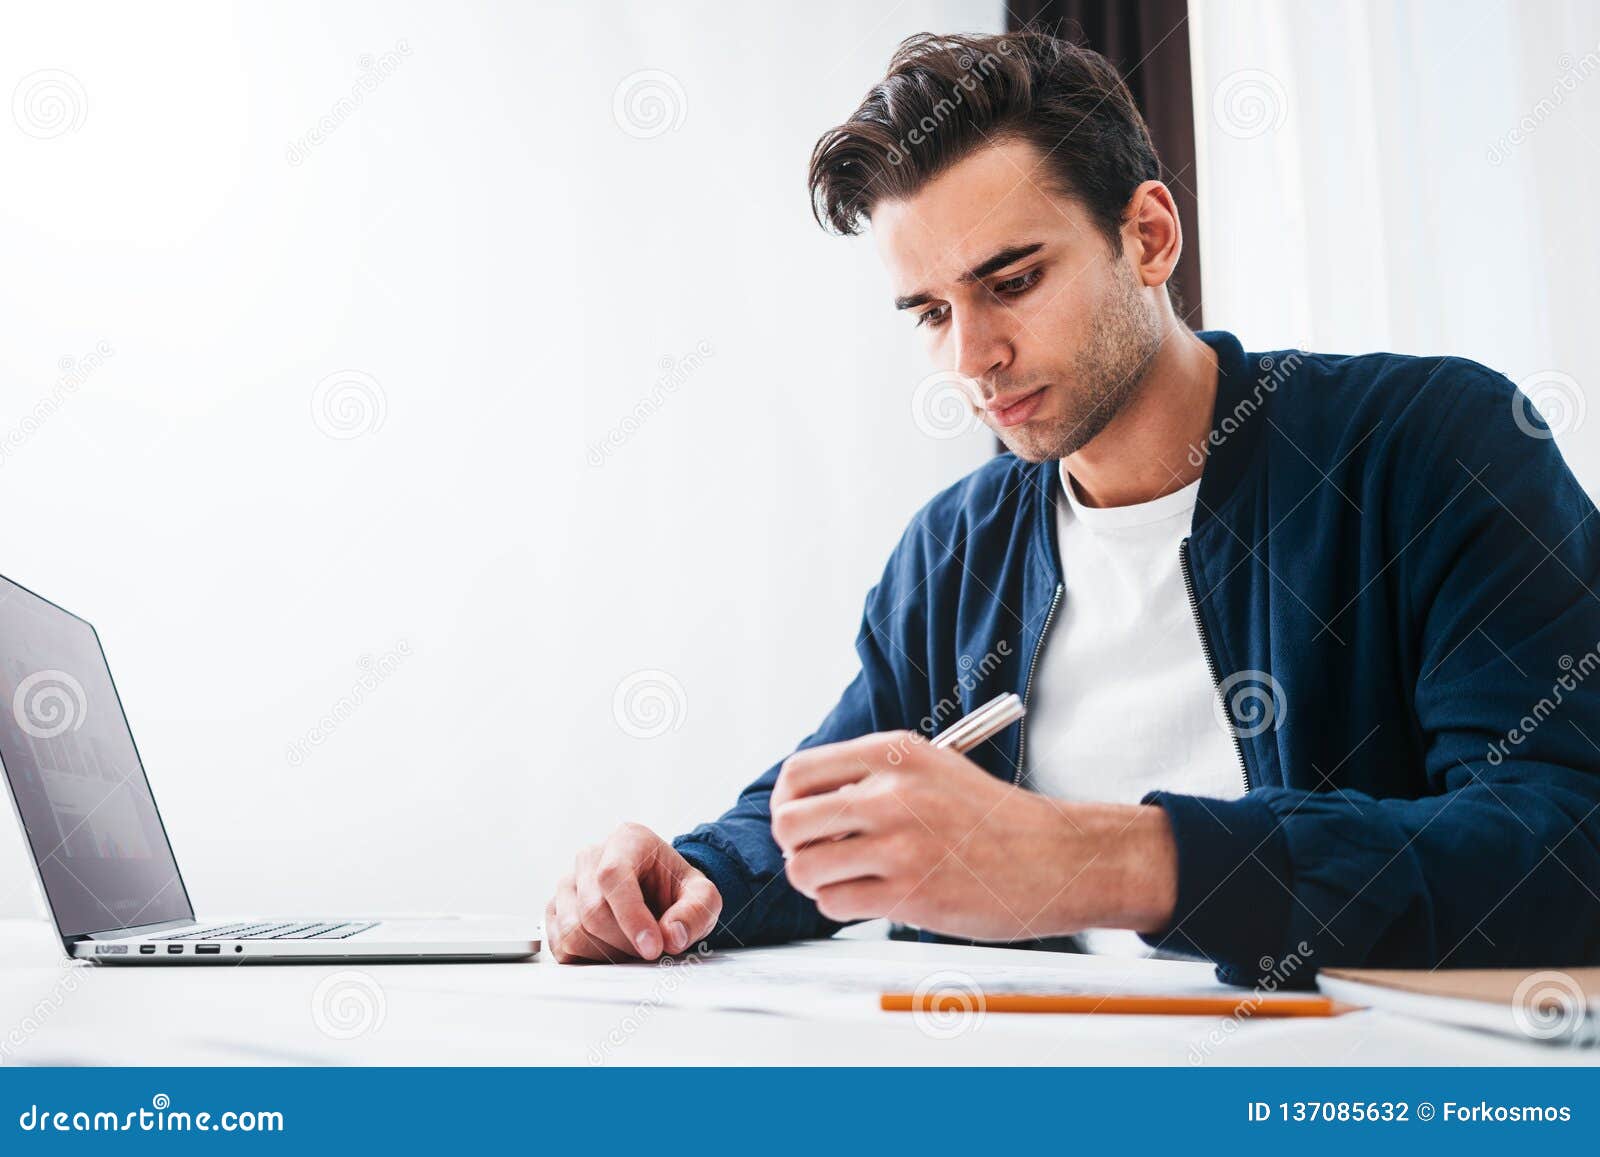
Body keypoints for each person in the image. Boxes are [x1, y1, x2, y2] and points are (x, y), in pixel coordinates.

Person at [545, 31, 1600, 985]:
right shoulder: (956, 549)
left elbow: (1566, 841)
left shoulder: (1427, 446)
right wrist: (677, 880)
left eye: (1010, 281)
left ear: (1147, 236)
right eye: (930, 311)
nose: (969, 357)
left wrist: (1110, 861)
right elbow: (825, 807)